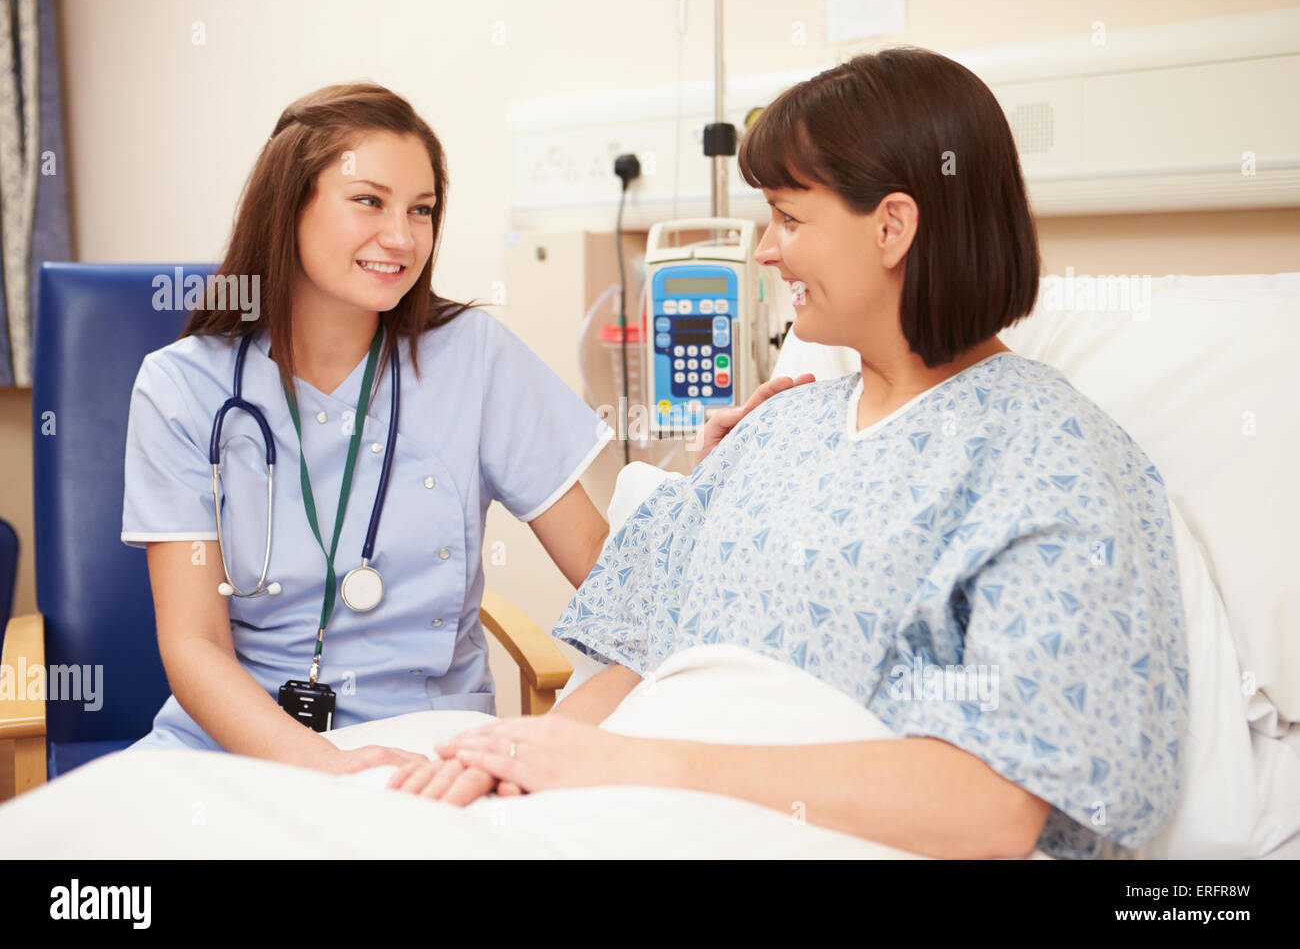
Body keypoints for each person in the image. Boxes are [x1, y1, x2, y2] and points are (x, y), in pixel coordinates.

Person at [391, 48, 1190, 861]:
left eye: (789, 217)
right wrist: (510, 773)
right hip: (613, 817)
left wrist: (630, 766)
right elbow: (630, 666)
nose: (767, 251)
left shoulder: (1051, 457)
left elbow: (992, 809)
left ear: (892, 226)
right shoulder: (772, 432)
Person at [121, 83, 618, 774]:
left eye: (422, 210)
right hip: (237, 752)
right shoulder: (182, 387)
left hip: (432, 753)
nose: (402, 237)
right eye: (369, 201)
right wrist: (327, 768)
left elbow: (612, 577)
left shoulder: (476, 358)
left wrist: (547, 742)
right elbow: (194, 647)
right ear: (289, 203)